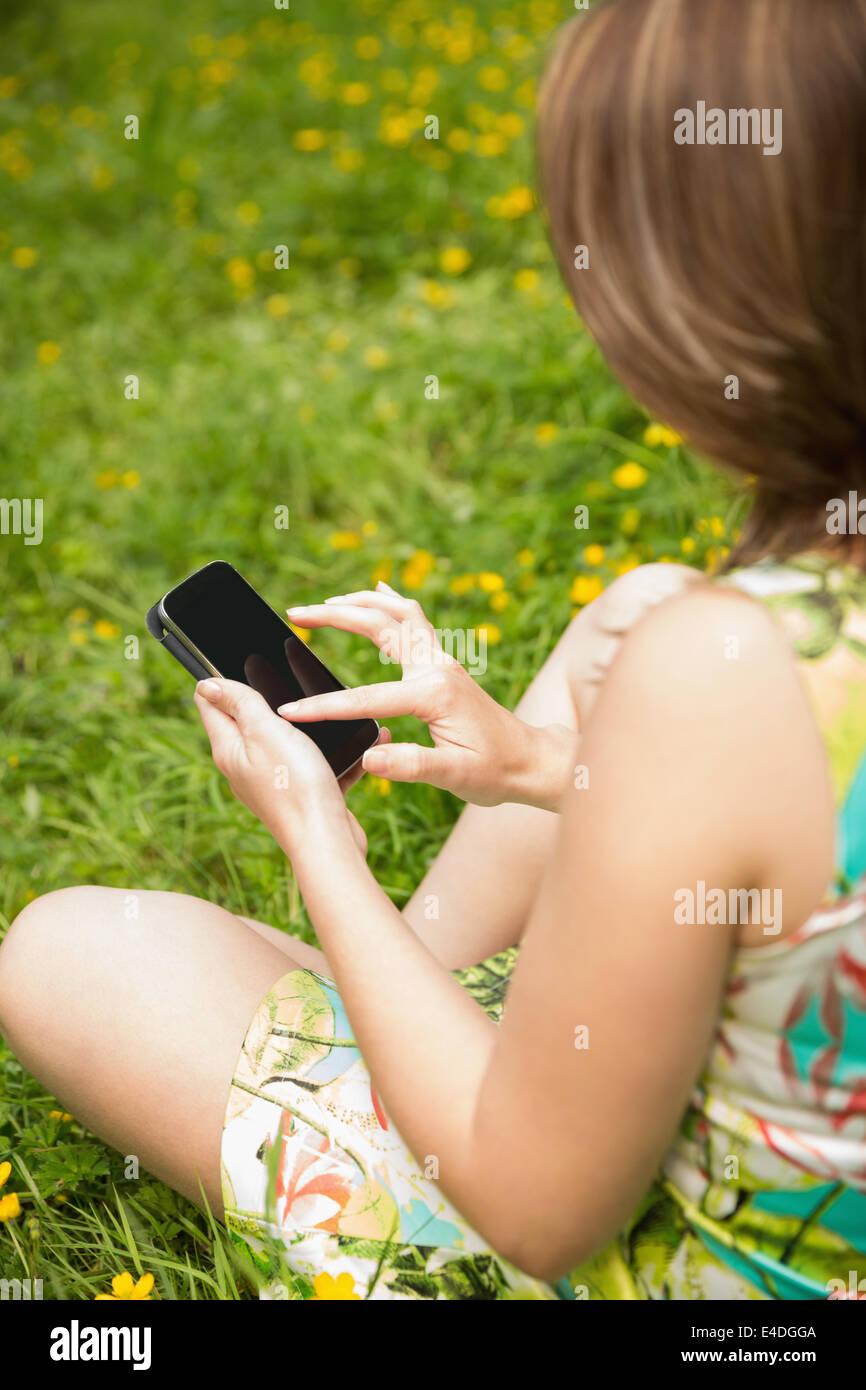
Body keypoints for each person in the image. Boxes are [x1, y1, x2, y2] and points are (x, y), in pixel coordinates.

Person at [1, 0, 865, 1300]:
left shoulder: (718, 678)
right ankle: (406, 990)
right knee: (625, 612)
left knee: (68, 953)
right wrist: (543, 764)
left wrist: (320, 846)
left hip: (696, 1272)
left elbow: (533, 1208)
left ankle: (381, 990)